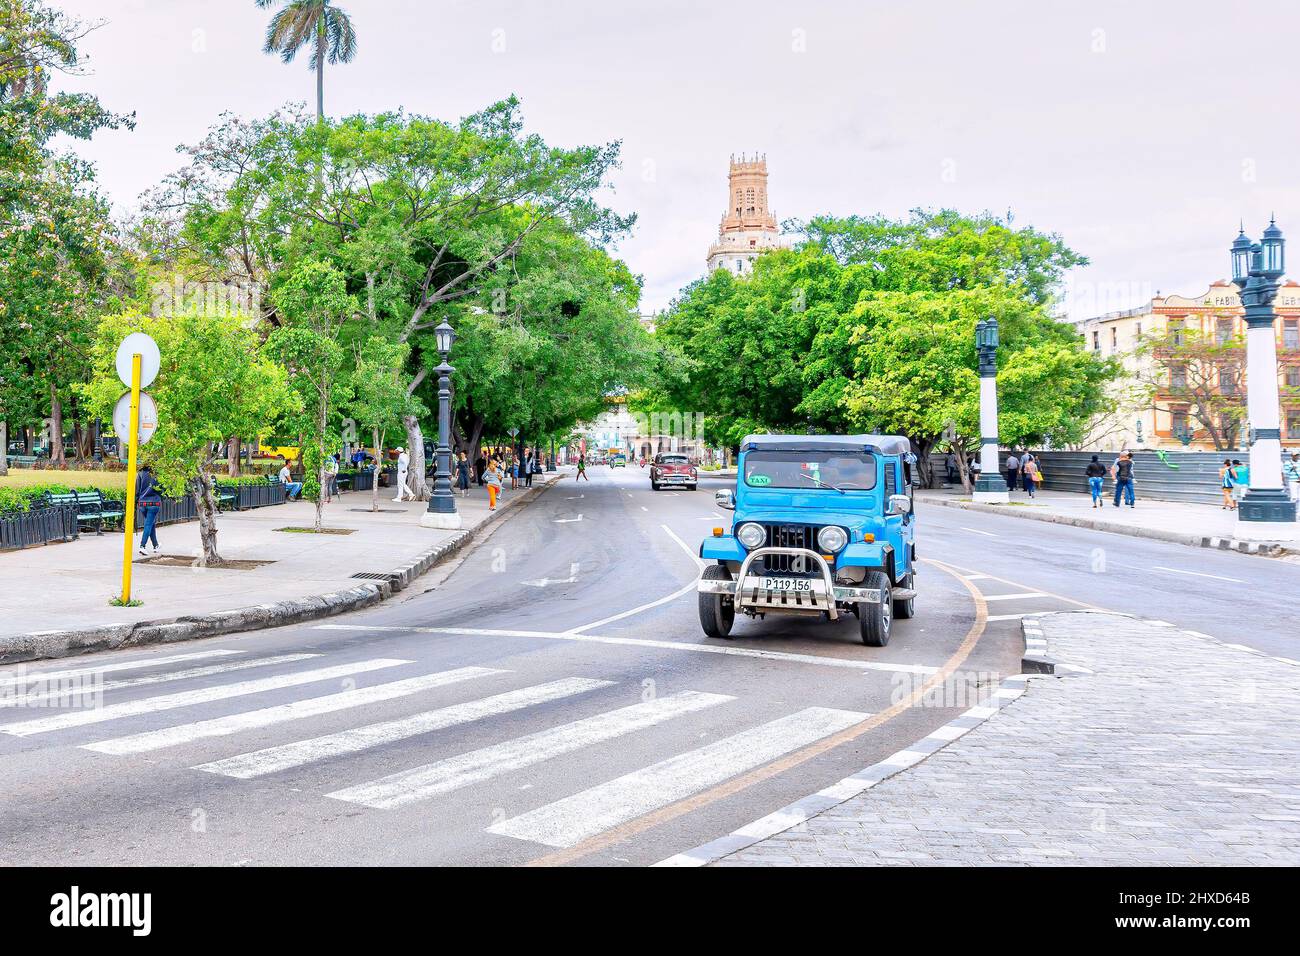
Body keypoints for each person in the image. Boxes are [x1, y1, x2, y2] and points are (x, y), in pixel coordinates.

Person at [136, 464, 163, 556]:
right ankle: (142, 546)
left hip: (142, 503)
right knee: (148, 524)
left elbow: (137, 490)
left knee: (151, 523)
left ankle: (155, 545)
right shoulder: (157, 474)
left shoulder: (140, 474)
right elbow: (161, 489)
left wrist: (136, 501)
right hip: (154, 503)